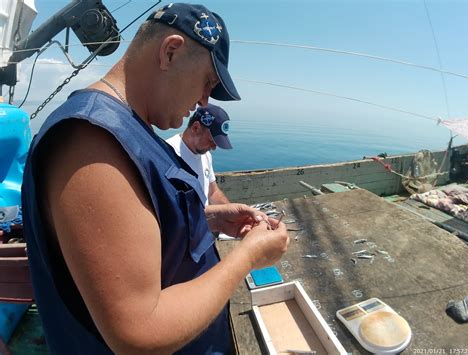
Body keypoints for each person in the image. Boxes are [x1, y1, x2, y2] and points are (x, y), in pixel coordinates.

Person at [22, 3, 289, 354]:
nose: (202, 101)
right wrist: (248, 257)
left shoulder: (128, 128)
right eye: (207, 82)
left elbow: (136, 229)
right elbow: (138, 333)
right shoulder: (92, 143)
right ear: (170, 52)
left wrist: (208, 219)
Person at [167, 104, 232, 205]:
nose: (214, 148)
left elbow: (212, 193)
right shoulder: (167, 155)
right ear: (196, 128)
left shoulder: (206, 155)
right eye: (212, 141)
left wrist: (233, 213)